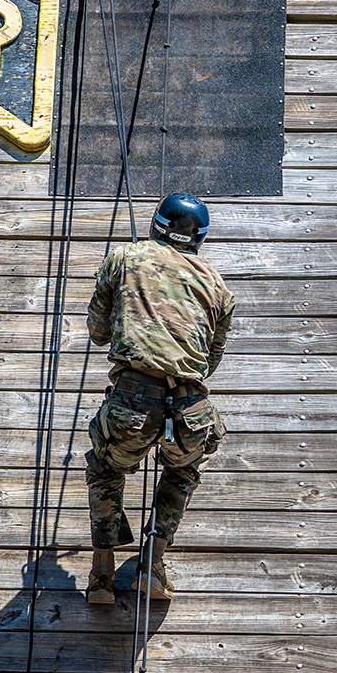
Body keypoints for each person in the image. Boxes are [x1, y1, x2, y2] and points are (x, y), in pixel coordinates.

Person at [82, 194, 234, 604]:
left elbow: (98, 331)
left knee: (106, 467)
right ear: (200, 237)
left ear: (156, 224)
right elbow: (208, 363)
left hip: (132, 400)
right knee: (183, 471)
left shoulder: (125, 257)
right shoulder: (219, 287)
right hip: (191, 411)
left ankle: (102, 574)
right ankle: (153, 564)